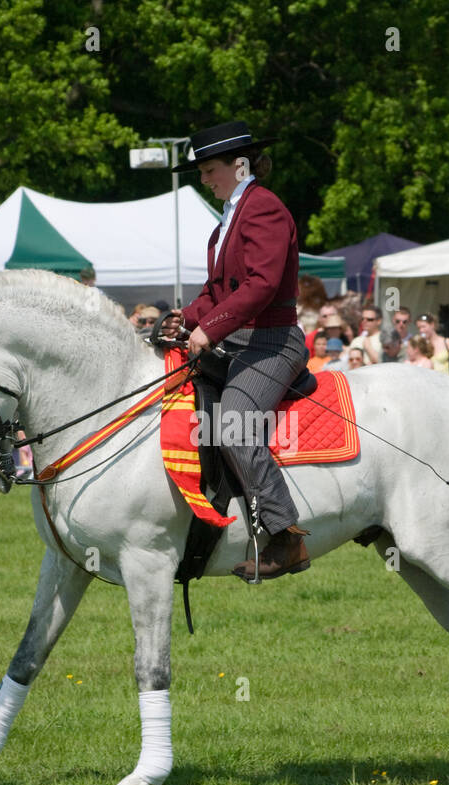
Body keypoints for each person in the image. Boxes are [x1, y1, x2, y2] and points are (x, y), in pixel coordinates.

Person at [159, 120, 311, 580]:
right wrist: (183, 319)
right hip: (238, 342)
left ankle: (285, 538)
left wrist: (210, 328)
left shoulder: (264, 208)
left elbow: (261, 285)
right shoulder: (229, 216)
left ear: (239, 164)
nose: (203, 180)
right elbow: (215, 290)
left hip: (272, 343)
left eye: (209, 170)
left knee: (234, 426)